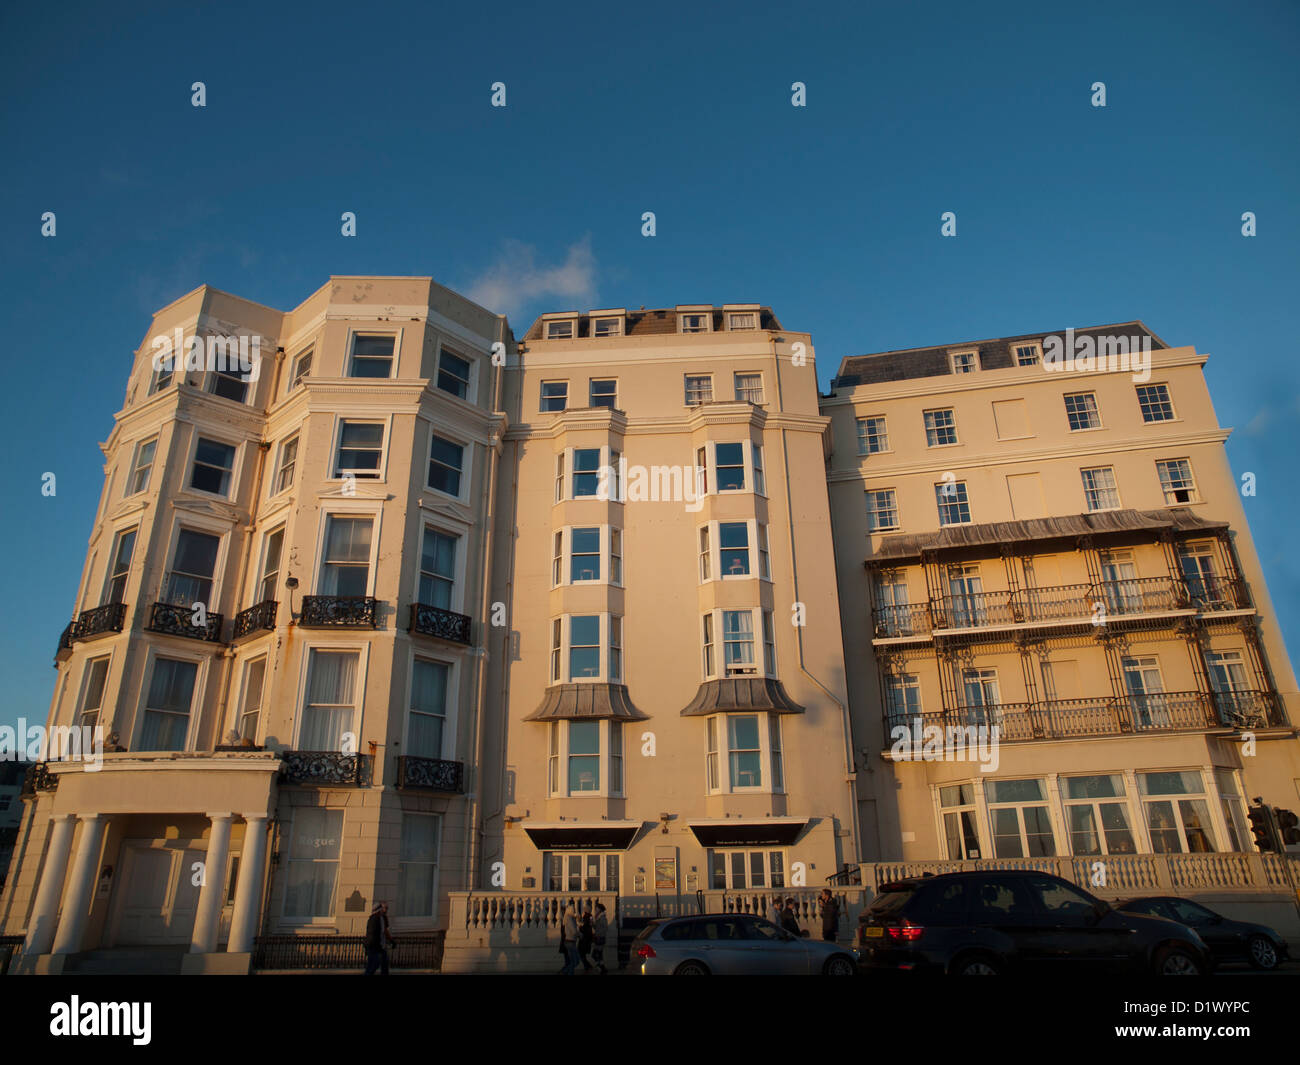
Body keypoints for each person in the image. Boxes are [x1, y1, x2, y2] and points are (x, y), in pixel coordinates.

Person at [363, 901, 395, 975]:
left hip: (379, 946)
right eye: (384, 908)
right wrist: (378, 945)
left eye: (387, 908)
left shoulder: (382, 918)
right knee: (374, 964)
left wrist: (391, 941)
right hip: (374, 946)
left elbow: (384, 931)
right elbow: (373, 934)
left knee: (383, 964)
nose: (385, 910)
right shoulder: (375, 919)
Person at [560, 903, 580, 975]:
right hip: (570, 942)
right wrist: (580, 934)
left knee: (573, 961)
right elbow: (574, 931)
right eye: (573, 910)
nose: (574, 911)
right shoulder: (569, 918)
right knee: (576, 961)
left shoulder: (568, 918)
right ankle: (566, 972)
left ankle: (567, 972)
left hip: (569, 941)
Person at [592, 902, 609, 974]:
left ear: (600, 909)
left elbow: (605, 928)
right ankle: (602, 967)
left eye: (597, 908)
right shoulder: (598, 917)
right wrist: (592, 924)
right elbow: (596, 927)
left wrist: (598, 934)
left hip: (600, 937)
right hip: (598, 937)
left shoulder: (602, 917)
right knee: (598, 953)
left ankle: (600, 967)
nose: (595, 910)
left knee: (596, 954)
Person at [578, 904, 595, 971]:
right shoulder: (590, 916)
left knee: (581, 953)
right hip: (587, 937)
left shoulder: (586, 916)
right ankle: (587, 966)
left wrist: (580, 926)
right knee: (583, 953)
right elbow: (590, 925)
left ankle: (587, 966)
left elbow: (585, 926)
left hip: (584, 938)